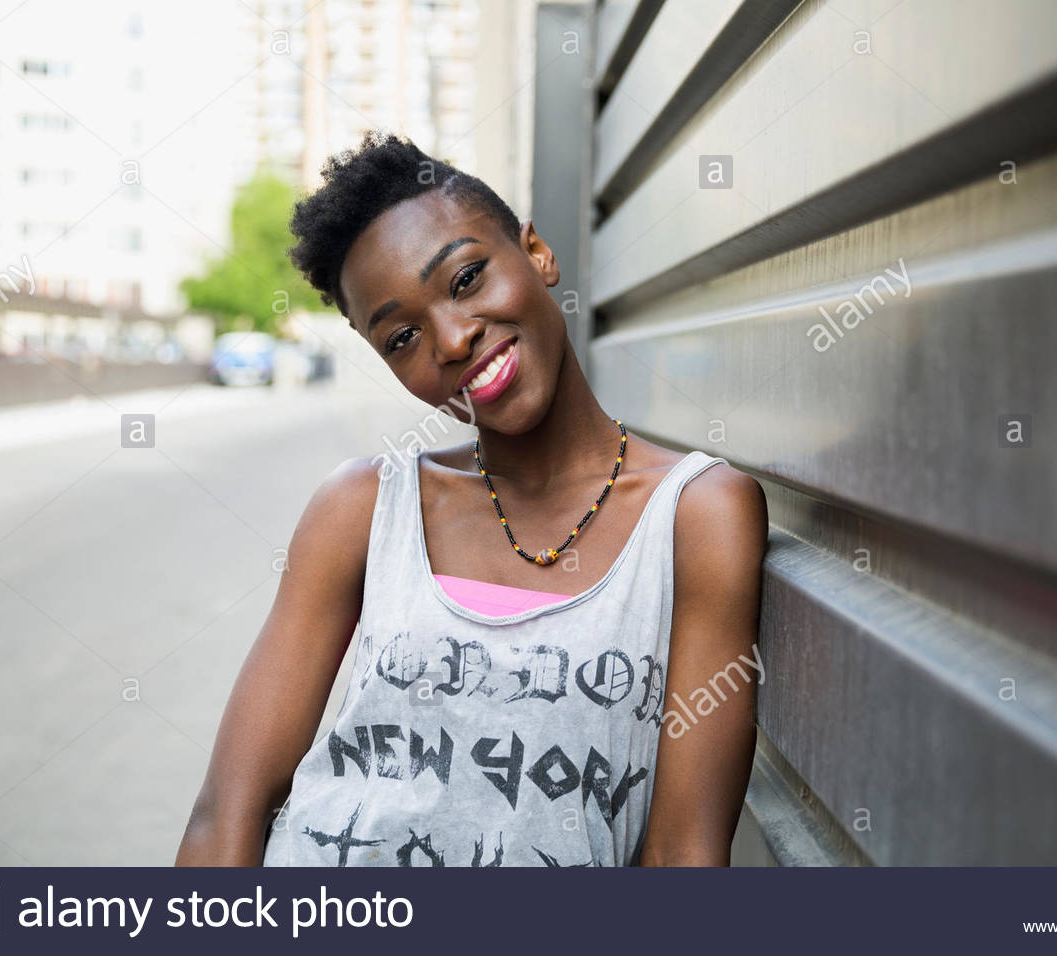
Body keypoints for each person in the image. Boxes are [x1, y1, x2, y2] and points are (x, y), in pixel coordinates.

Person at [174, 131, 768, 867]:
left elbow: (685, 854)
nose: (452, 340)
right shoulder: (363, 508)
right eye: (401, 337)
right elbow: (227, 812)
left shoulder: (697, 517)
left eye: (465, 280)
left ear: (539, 254)